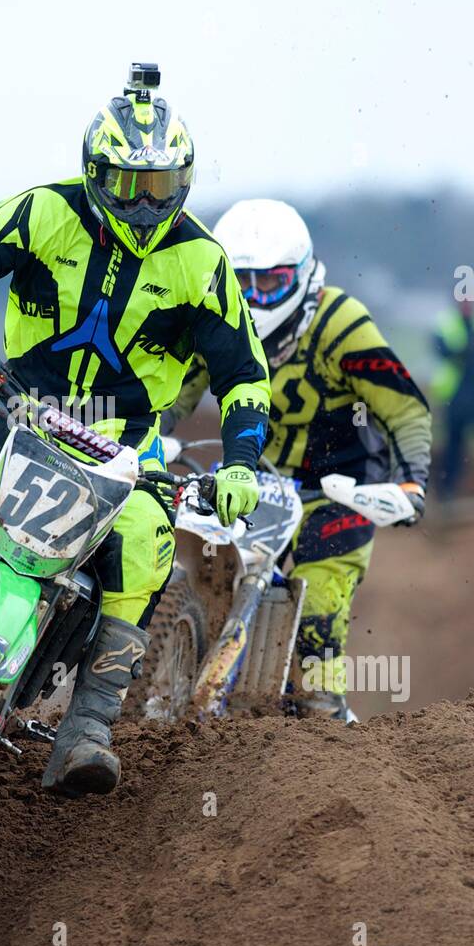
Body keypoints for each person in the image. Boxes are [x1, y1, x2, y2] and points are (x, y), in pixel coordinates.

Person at [0, 65, 271, 793]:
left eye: (158, 185)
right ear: (95, 172)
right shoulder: (41, 213)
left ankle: (87, 726)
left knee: (145, 552)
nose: (141, 201)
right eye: (127, 183)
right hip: (14, 412)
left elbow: (246, 377)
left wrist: (243, 462)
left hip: (124, 446)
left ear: (183, 180)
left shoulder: (203, 262)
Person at [161, 198, 432, 720]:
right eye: (242, 282)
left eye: (272, 282)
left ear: (304, 276)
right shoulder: (215, 324)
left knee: (320, 591)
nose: (256, 299)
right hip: (254, 481)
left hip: (341, 489)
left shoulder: (340, 323)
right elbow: (173, 397)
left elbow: (407, 409)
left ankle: (322, 713)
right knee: (192, 552)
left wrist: (412, 482)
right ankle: (151, 680)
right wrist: (147, 438)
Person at [431, 297, 474, 497]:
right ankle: (446, 491)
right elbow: (441, 350)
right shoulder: (446, 325)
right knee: (453, 444)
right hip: (455, 397)